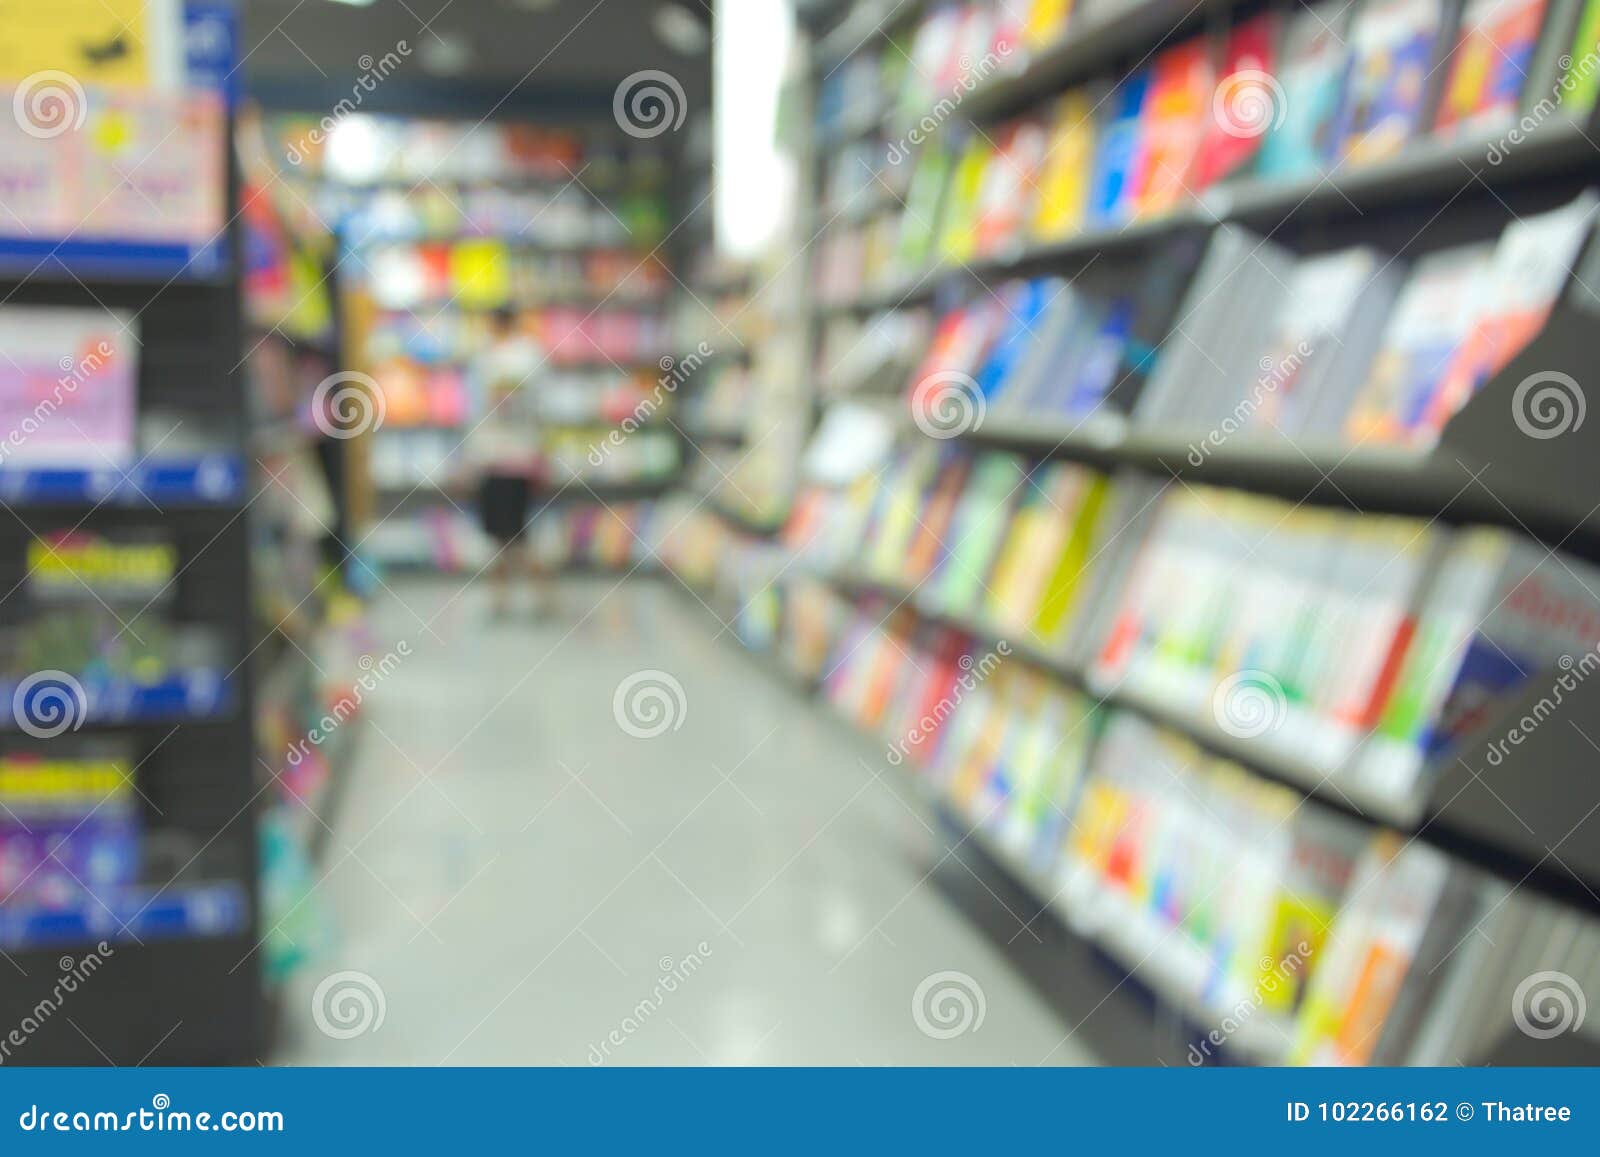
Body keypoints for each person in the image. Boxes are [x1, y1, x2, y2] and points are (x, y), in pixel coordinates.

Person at [462, 307, 552, 618]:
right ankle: (502, 598)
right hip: (502, 456)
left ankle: (538, 595)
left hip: (511, 457)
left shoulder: (522, 358)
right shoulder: (490, 356)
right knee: (501, 534)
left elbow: (527, 407)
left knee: (515, 534)